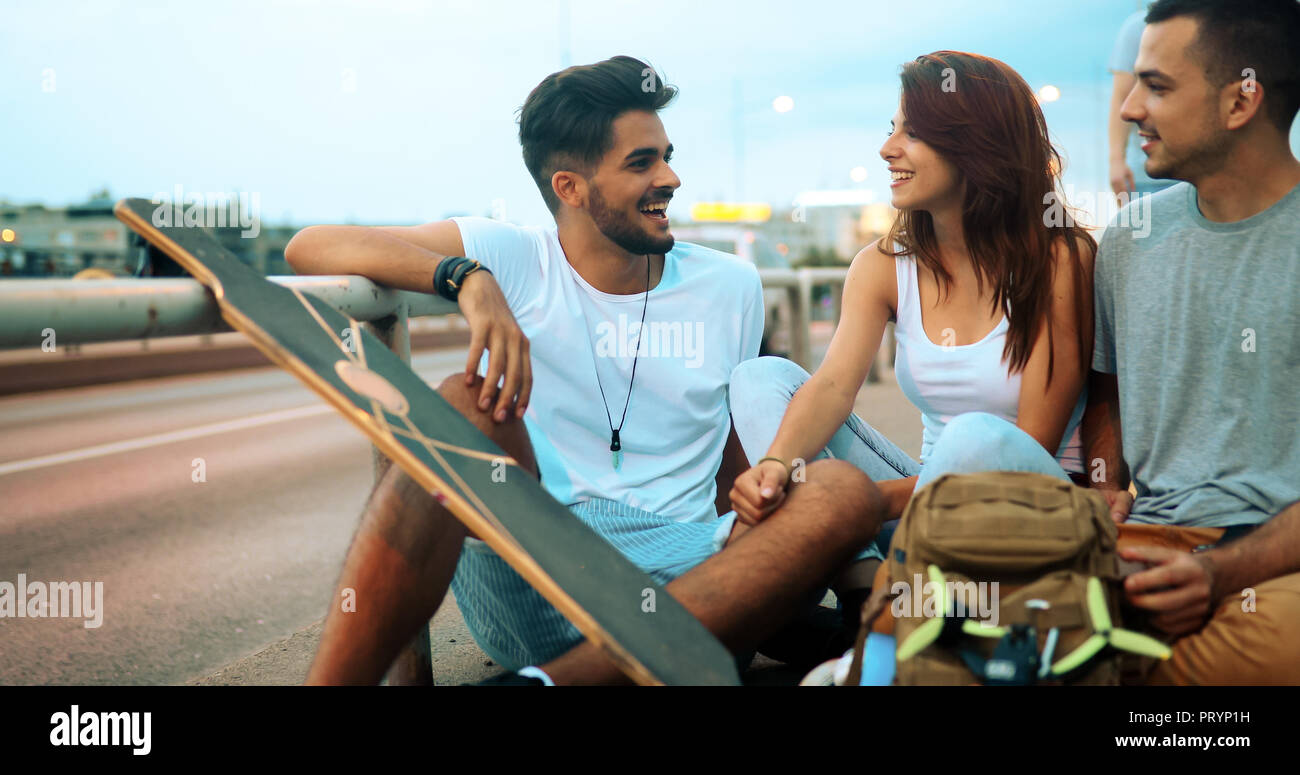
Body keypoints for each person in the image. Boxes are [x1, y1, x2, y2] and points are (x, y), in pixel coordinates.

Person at [284, 55, 883, 685]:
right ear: (569, 187)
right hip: (542, 573)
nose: (671, 178)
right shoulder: (513, 256)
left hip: (691, 571)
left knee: (838, 490)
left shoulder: (729, 285)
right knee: (461, 405)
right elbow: (311, 246)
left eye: (667, 155)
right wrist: (466, 277)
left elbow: (725, 456)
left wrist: (771, 544)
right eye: (642, 162)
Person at [728, 51, 1098, 615]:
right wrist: (775, 469)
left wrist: (854, 505)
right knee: (761, 377)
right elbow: (830, 389)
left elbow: (1031, 444)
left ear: (977, 145)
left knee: (974, 437)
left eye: (914, 133)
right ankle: (860, 585)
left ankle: (862, 552)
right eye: (892, 129)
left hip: (1024, 503)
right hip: (920, 495)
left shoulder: (1059, 258)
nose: (887, 149)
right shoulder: (884, 265)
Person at [1085, 0, 1300, 684]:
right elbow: (1107, 393)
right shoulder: (1130, 237)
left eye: (1156, 85)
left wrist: (1217, 572)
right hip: (1146, 541)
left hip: (1274, 556)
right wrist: (1104, 480)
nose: (1128, 110)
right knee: (961, 577)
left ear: (1242, 101)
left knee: (1278, 642)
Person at [1108, 8, 1177, 200]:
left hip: (1206, 174)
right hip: (1146, 176)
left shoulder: (1217, 23)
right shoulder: (1138, 27)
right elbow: (1122, 98)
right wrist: (1116, 161)